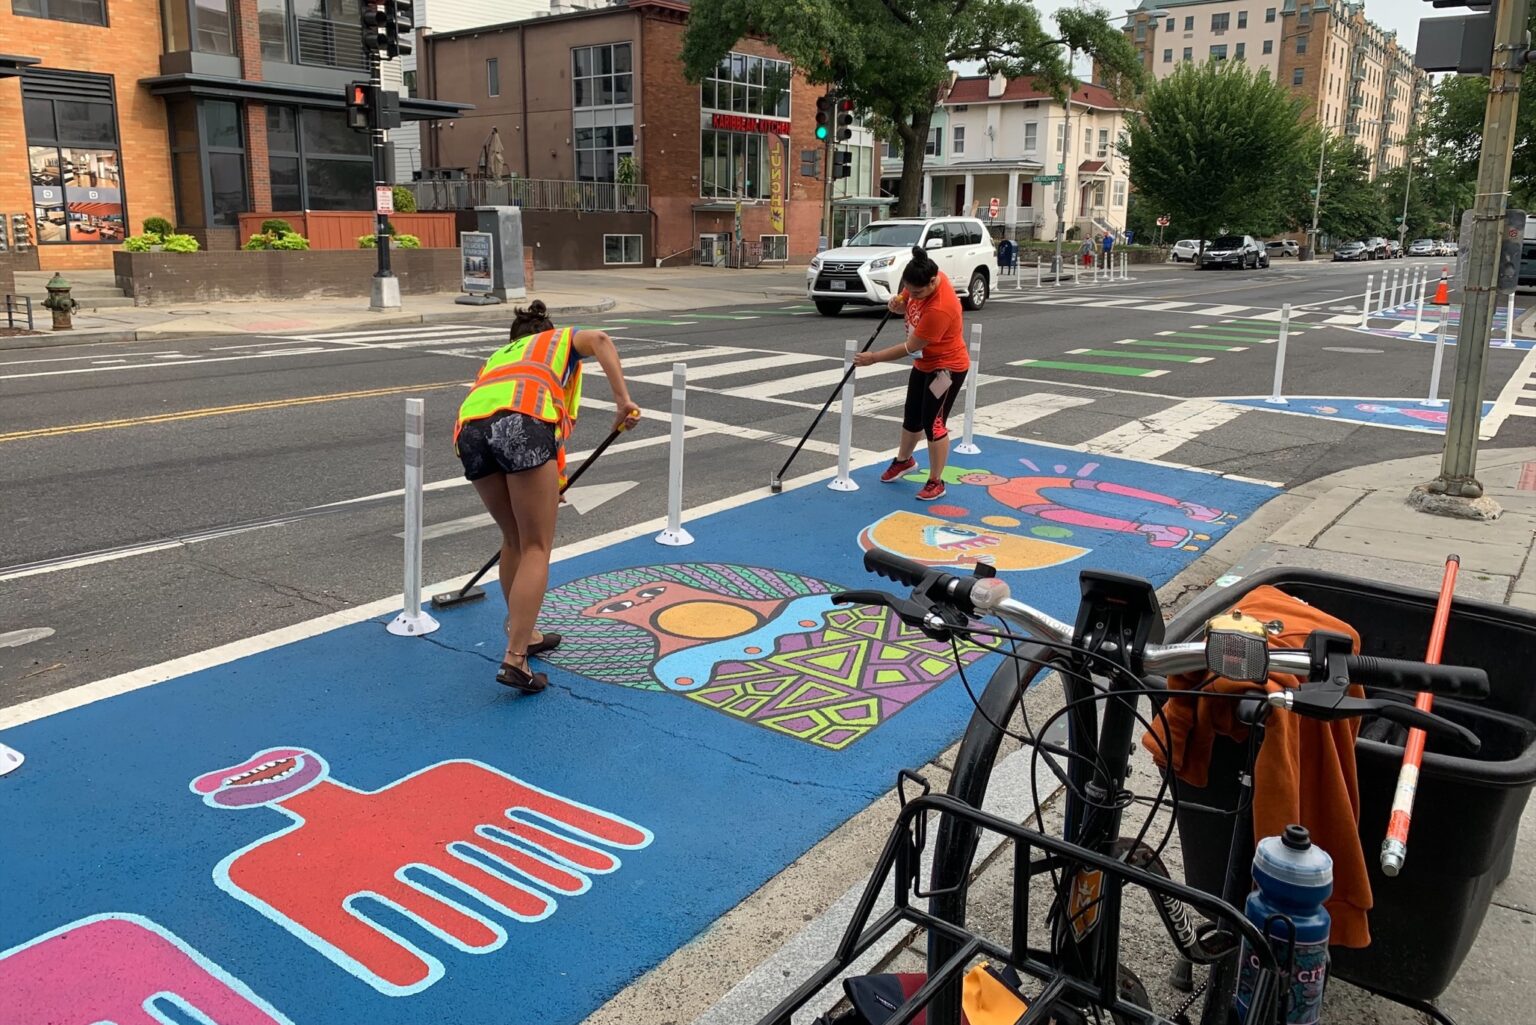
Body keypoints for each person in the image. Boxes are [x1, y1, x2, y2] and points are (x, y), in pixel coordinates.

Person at [454, 300, 640, 694]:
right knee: (537, 545)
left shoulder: (497, 358)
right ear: (547, 331)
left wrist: (550, 481)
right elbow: (601, 339)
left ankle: (527, 634)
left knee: (513, 540)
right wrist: (623, 400)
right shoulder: (557, 340)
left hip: (470, 434)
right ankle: (516, 658)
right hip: (521, 422)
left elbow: (510, 416)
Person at [853, 247, 969, 502]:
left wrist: (874, 358)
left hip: (946, 369)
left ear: (932, 281)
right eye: (909, 289)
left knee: (933, 421)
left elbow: (910, 347)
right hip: (924, 365)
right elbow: (906, 299)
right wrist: (899, 300)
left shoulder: (941, 307)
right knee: (912, 415)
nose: (913, 295)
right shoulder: (920, 277)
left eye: (917, 293)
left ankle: (936, 481)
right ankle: (904, 461)